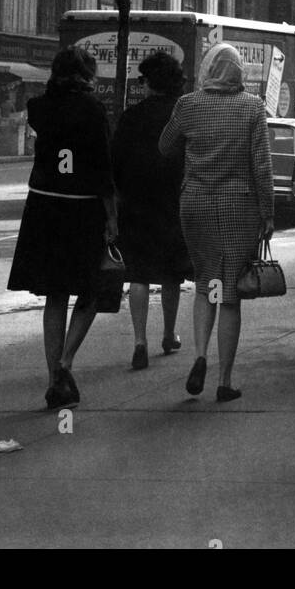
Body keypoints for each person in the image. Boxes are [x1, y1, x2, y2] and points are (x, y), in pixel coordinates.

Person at [159, 43, 274, 403]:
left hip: (195, 204)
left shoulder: (187, 105)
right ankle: (224, 380)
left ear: (209, 69)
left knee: (205, 278)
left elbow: (165, 146)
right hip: (239, 206)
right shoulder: (253, 107)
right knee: (230, 292)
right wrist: (268, 212)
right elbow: (262, 166)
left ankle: (200, 356)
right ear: (239, 71)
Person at [7, 46, 117, 410]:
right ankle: (67, 362)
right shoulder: (93, 111)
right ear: (86, 76)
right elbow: (102, 168)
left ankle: (54, 377)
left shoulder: (39, 108)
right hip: (82, 209)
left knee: (55, 294)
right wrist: (113, 216)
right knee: (90, 292)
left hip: (44, 205)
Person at [111, 52, 193, 369]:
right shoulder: (182, 114)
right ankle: (169, 334)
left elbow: (114, 161)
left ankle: (139, 340)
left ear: (149, 83)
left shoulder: (131, 116)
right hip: (173, 202)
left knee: (139, 275)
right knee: (172, 274)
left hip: (136, 204)